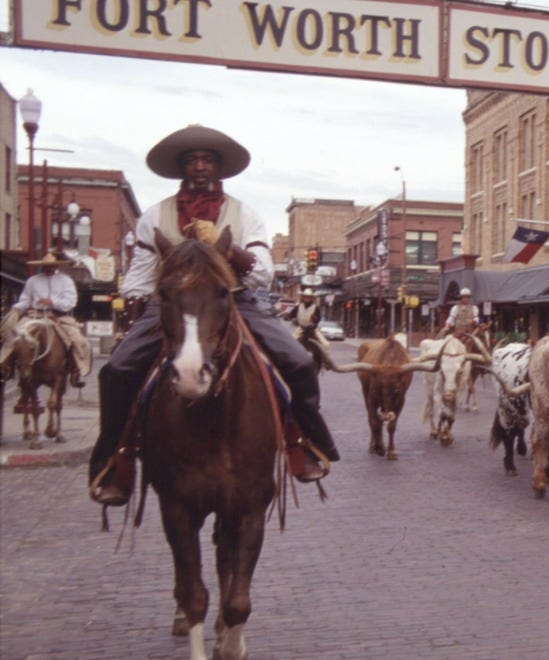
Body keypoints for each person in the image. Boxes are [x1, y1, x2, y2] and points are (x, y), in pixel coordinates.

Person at [89, 124, 340, 507]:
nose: (200, 166)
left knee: (300, 361)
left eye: (207, 160)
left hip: (232, 299)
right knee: (118, 370)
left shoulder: (244, 213)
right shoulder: (155, 216)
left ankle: (306, 441)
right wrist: (143, 312)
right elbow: (139, 277)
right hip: (172, 302)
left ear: (220, 168)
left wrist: (227, 250)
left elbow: (262, 273)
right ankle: (113, 460)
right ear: (181, 168)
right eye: (192, 160)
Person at [0, 251, 91, 390]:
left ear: (56, 266)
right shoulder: (33, 281)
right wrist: (17, 308)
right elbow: (25, 299)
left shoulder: (66, 281)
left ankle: (76, 371)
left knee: (79, 340)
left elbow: (71, 302)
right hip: (34, 315)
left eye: (51, 266)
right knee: (13, 336)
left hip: (59, 316)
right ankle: (6, 368)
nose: (48, 268)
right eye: (45, 266)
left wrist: (52, 302)